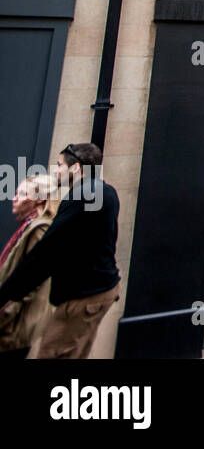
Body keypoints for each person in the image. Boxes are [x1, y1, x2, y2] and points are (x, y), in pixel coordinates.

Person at [0, 143, 120, 359]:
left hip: (83, 297)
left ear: (75, 169)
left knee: (51, 353)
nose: (55, 171)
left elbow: (44, 255)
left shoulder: (80, 197)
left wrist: (5, 295)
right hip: (100, 292)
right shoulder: (105, 192)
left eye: (59, 165)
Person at [0, 175, 57, 357]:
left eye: (23, 193)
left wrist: (6, 313)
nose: (15, 197)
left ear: (38, 199)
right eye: (16, 192)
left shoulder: (40, 229)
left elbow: (32, 279)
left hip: (14, 324)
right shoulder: (28, 226)